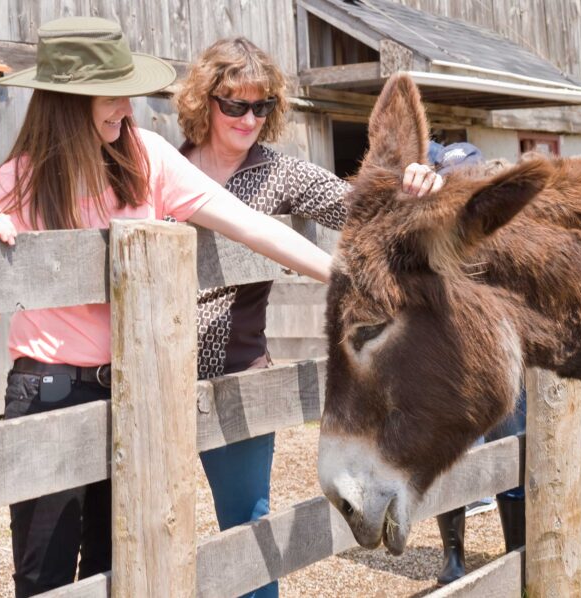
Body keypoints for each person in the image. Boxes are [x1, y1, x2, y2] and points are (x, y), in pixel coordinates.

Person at [0, 17, 351, 597]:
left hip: (132, 395)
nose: (126, 106)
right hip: (48, 393)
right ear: (69, 99)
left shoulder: (146, 159)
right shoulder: (14, 184)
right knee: (45, 577)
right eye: (112, 93)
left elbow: (253, 228)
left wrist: (342, 276)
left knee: (126, 569)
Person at [174, 38, 443, 598]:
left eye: (261, 106)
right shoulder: (161, 167)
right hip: (155, 372)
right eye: (234, 105)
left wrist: (418, 185)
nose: (248, 118)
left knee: (247, 534)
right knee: (146, 532)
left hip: (234, 379)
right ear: (205, 101)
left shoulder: (280, 175)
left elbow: (361, 209)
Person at [427, 141, 526, 586]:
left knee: (514, 446)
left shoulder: (503, 232)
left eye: (470, 177)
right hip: (449, 365)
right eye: (454, 180)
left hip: (503, 359)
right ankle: (453, 556)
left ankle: (517, 549)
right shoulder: (430, 239)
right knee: (448, 455)